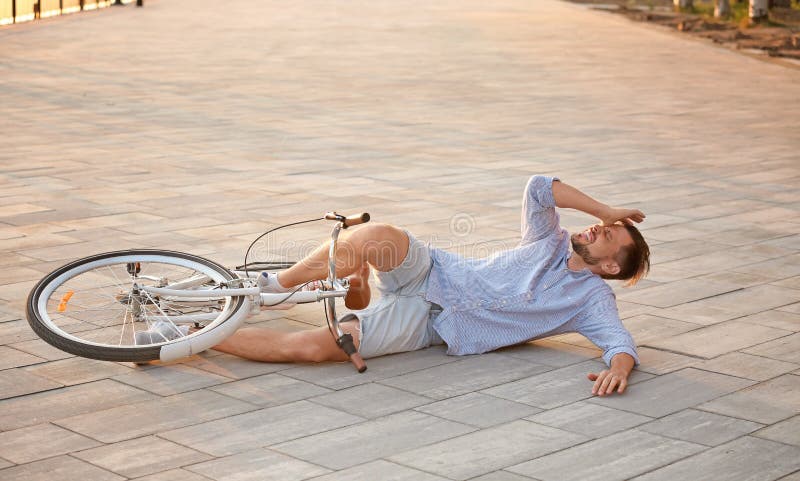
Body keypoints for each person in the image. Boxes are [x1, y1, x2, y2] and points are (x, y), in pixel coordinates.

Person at [210, 175, 650, 397]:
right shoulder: (547, 239)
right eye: (600, 225)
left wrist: (619, 370)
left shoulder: (591, 300)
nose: (595, 229)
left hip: (430, 325)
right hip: (434, 271)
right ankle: (275, 288)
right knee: (372, 234)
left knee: (315, 349)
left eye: (606, 234)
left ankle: (195, 337)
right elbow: (539, 186)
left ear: (610, 267)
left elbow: (619, 343)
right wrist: (606, 207)